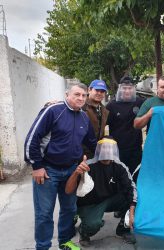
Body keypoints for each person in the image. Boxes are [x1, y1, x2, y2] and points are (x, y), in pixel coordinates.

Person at [24, 83, 97, 250]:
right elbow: (32, 139)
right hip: (48, 171)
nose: (80, 98)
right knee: (44, 214)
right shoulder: (53, 111)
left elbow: (92, 142)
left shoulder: (84, 118)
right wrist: (36, 166)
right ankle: (42, 246)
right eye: (76, 94)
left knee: (69, 210)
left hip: (72, 170)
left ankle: (65, 241)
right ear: (67, 94)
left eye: (83, 95)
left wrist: (106, 153)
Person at [65, 137, 137, 247]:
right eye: (104, 147)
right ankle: (84, 231)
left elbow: (131, 188)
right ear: (98, 150)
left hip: (110, 199)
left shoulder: (119, 166)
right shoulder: (87, 165)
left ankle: (123, 229)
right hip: (90, 203)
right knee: (93, 225)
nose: (107, 151)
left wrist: (131, 213)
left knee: (135, 200)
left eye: (110, 148)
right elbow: (68, 190)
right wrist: (76, 173)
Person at [106, 76, 144, 181]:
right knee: (119, 178)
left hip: (135, 149)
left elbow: (153, 110)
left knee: (135, 177)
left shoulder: (140, 102)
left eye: (130, 88)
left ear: (134, 89)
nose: (127, 90)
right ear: (120, 89)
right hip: (117, 150)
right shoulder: (112, 105)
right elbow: (100, 123)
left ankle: (134, 197)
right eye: (124, 88)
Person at [82, 79, 109, 158]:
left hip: (96, 153)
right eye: (97, 90)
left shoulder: (104, 110)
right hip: (80, 155)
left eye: (102, 91)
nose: (99, 93)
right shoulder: (81, 106)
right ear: (89, 90)